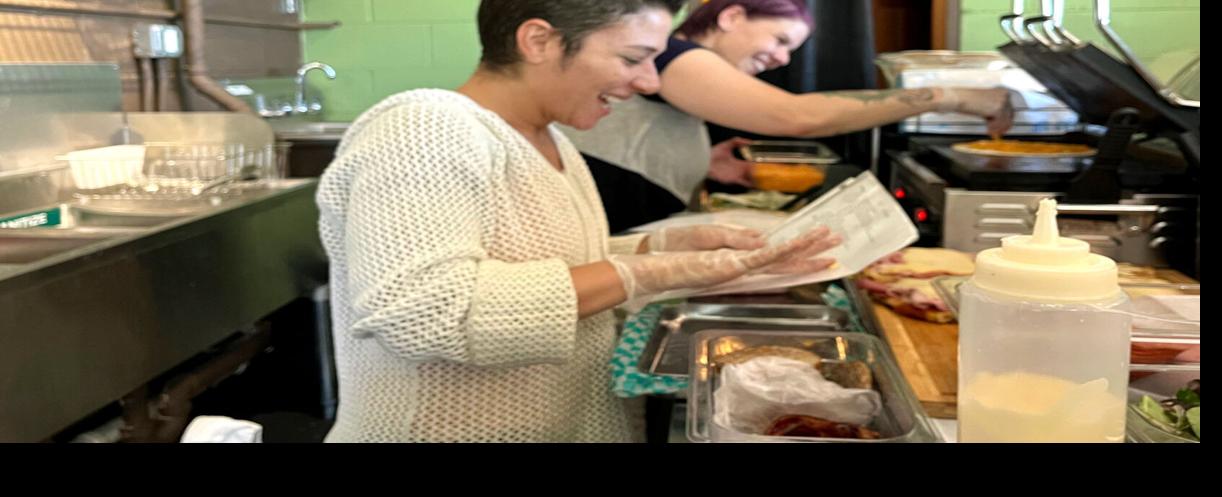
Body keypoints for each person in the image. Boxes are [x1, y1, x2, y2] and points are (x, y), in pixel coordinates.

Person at [315, 0, 839, 443]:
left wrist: (664, 247)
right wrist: (657, 273)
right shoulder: (424, 129)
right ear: (539, 41)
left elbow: (549, 264)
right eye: (634, 58)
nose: (649, 80)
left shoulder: (554, 140)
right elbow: (426, 313)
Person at [560, 0, 1015, 231]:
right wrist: (947, 96)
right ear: (731, 16)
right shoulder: (675, 55)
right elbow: (795, 116)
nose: (781, 59)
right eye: (778, 40)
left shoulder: (679, 64)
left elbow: (634, 138)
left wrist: (704, 160)